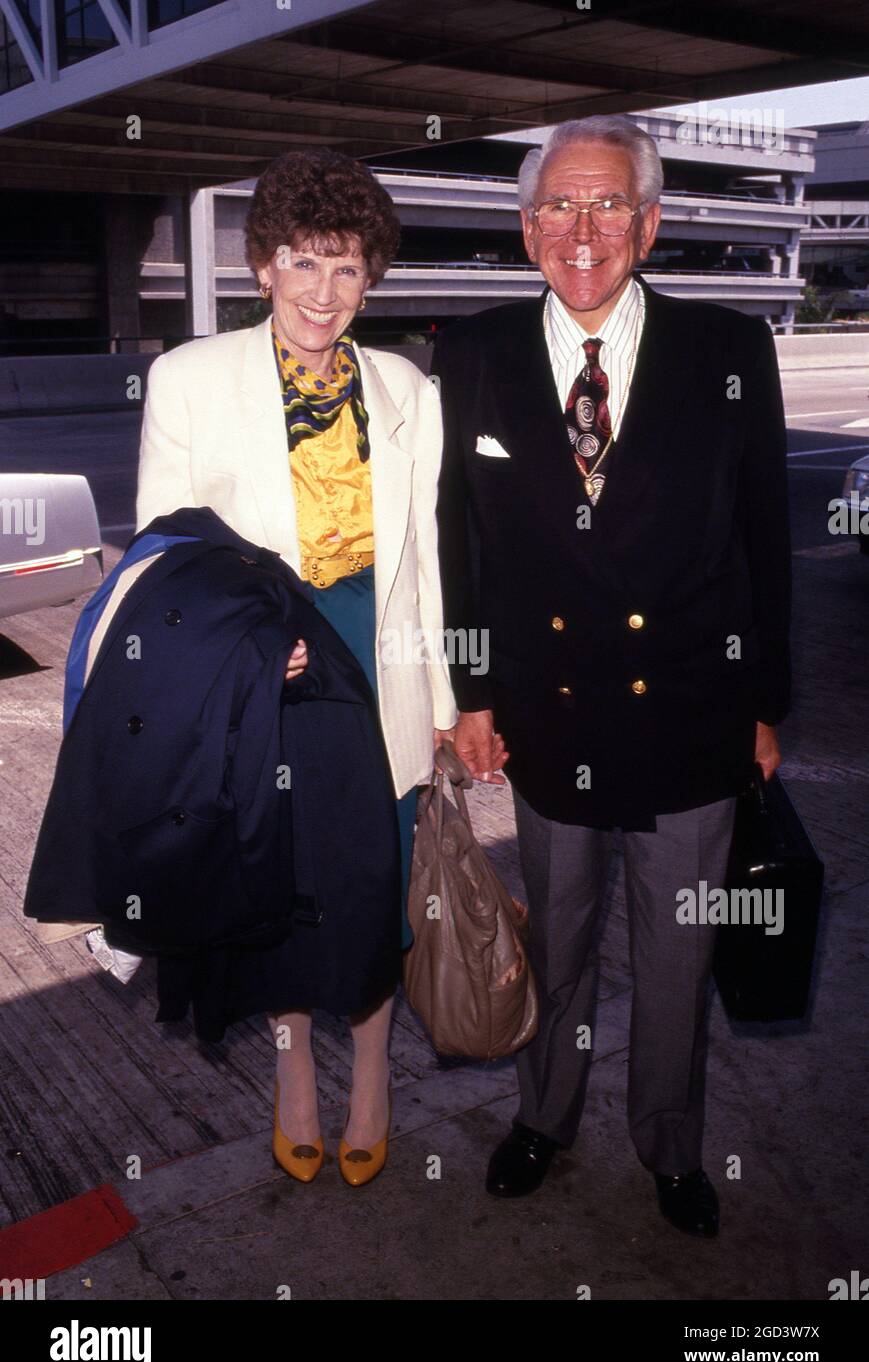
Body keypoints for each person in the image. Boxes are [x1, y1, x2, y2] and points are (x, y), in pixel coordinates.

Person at [433, 115, 791, 1236]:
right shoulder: (475, 349)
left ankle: (670, 1143)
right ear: (525, 223)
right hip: (546, 716)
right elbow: (462, 543)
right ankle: (541, 1118)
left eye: (604, 207)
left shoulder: (728, 347)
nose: (579, 232)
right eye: (557, 208)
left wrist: (762, 702)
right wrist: (473, 694)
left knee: (678, 952)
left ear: (646, 222)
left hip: (687, 709)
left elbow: (763, 538)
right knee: (558, 940)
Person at [137, 148, 457, 1186]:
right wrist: (235, 662)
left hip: (377, 655)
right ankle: (290, 1074)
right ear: (261, 265)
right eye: (303, 263)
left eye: (349, 268)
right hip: (257, 658)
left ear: (372, 279)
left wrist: (447, 704)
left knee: (372, 872)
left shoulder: (405, 388)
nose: (325, 293)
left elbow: (428, 562)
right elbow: (162, 555)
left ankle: (372, 1072)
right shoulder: (191, 379)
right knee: (272, 868)